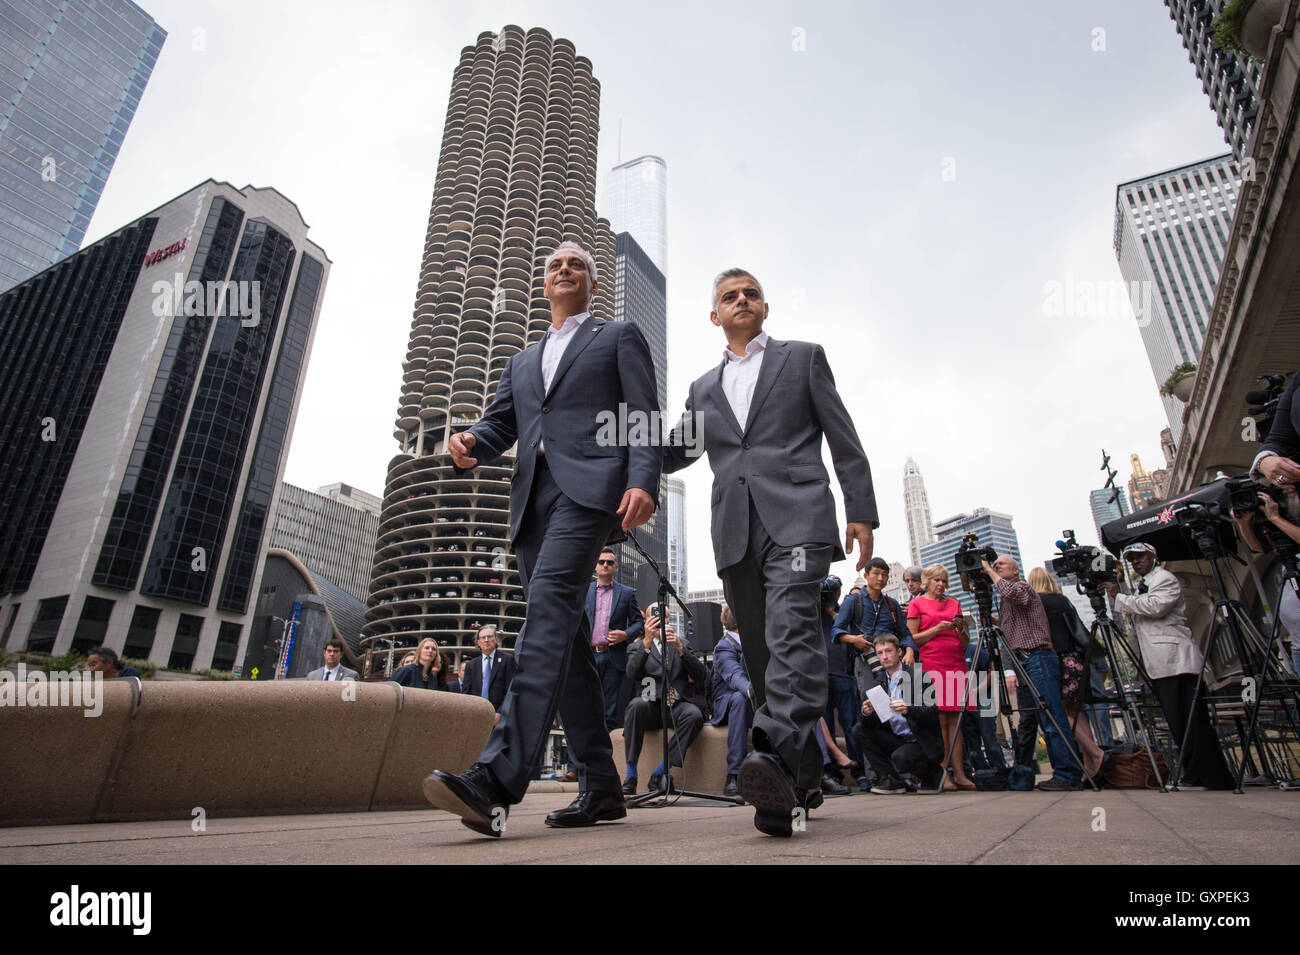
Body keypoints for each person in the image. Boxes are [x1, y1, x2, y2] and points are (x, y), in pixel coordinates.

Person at [423, 241, 659, 836]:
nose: (564, 270)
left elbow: (643, 417)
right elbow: (504, 421)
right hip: (531, 503)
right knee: (568, 642)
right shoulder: (522, 360)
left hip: (590, 492)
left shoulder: (617, 336)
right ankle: (602, 787)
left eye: (576, 264)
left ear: (591, 283)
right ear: (544, 281)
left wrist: (643, 480)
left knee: (549, 611)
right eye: (555, 265)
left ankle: (497, 777)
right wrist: (472, 440)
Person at [663, 267, 877, 837]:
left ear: (765, 306)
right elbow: (674, 450)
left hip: (799, 520)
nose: (740, 301)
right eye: (728, 297)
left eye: (749, 293)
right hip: (735, 533)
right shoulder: (703, 388)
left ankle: (773, 759)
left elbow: (843, 436)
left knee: (792, 632)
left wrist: (861, 509)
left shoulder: (803, 358)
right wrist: (615, 452)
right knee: (761, 658)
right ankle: (797, 782)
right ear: (715, 316)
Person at [1101, 543, 1231, 789]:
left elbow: (1155, 606)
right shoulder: (1146, 583)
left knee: (1193, 721)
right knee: (1178, 722)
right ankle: (1194, 774)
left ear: (1153, 556)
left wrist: (1118, 595)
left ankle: (1213, 777)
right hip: (1160, 663)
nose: (1136, 562)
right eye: (1132, 558)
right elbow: (1140, 603)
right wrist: (1121, 589)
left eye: (1140, 557)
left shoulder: (1165, 578)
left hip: (1177, 660)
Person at [982, 556, 1082, 791]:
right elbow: (1011, 630)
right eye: (994, 565)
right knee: (1041, 719)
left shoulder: (1021, 587)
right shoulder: (1009, 601)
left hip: (1039, 658)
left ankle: (1068, 775)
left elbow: (1013, 594)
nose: (996, 567)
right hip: (1026, 661)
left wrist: (988, 570)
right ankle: (1064, 773)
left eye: (1001, 565)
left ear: (1016, 571)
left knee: (1052, 718)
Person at [623, 603, 709, 794]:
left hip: (676, 706)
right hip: (650, 706)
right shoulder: (636, 646)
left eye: (666, 616)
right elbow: (631, 673)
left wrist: (680, 649)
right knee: (635, 706)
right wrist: (646, 644)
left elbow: (701, 675)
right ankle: (630, 775)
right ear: (646, 620)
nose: (662, 619)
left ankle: (661, 771)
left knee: (694, 715)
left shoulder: (682, 643)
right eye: (655, 616)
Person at [1028, 568, 1105, 778]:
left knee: (1061, 712)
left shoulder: (1037, 602)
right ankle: (1090, 764)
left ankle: (1095, 753)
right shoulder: (1062, 600)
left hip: (1056, 659)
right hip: (1075, 660)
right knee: (1076, 711)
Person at [906, 565, 975, 790]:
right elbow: (912, 640)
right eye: (936, 580)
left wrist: (960, 629)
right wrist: (937, 629)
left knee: (956, 722)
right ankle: (942, 773)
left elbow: (965, 642)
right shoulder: (917, 604)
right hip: (931, 664)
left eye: (944, 581)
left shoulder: (954, 603)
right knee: (940, 721)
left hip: (955, 662)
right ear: (927, 581)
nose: (940, 585)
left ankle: (961, 774)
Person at [851, 634, 944, 793]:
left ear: (899, 652)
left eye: (888, 651)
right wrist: (866, 713)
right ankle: (891, 779)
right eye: (880, 653)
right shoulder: (877, 682)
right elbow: (872, 723)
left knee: (901, 757)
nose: (884, 656)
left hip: (921, 741)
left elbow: (932, 712)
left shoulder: (917, 676)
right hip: (897, 738)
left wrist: (908, 709)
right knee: (859, 730)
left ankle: (932, 773)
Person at [585, 547, 644, 729]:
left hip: (614, 658)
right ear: (595, 566)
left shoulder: (627, 593)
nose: (605, 565)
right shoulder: (583, 591)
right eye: (601, 562)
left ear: (616, 567)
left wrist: (625, 634)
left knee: (609, 711)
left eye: (609, 563)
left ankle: (607, 753)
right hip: (588, 657)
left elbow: (639, 623)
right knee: (588, 706)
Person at [708, 605, 753, 798]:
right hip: (729, 704)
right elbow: (734, 676)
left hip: (751, 703)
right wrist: (755, 693)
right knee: (739, 697)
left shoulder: (754, 643)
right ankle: (734, 774)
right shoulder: (723, 646)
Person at [460, 626, 516, 722]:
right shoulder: (471, 665)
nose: (486, 640)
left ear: (496, 640)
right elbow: (466, 694)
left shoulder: (507, 660)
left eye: (489, 637)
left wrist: (500, 713)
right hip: (476, 717)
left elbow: (510, 691)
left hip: (500, 718)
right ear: (478, 642)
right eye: (483, 637)